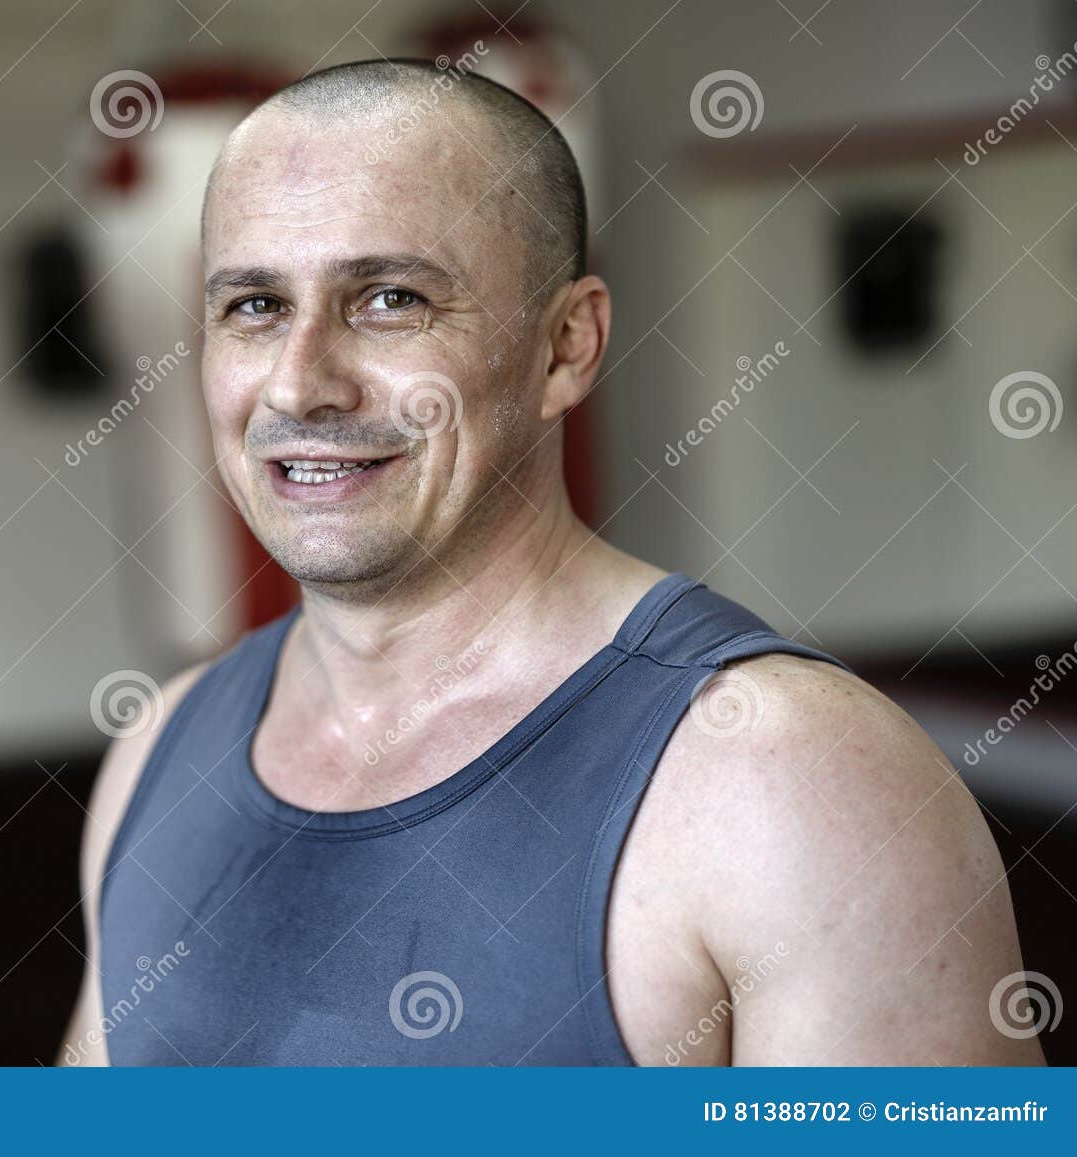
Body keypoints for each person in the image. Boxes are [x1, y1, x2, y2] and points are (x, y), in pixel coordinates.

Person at [61, 59, 1042, 1066]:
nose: (301, 383)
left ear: (566, 345)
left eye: (390, 297)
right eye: (255, 306)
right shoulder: (160, 749)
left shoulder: (789, 781)